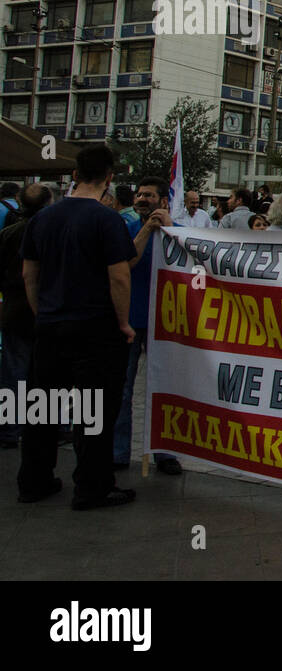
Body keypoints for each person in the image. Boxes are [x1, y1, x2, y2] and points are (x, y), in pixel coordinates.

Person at [18, 144, 137, 509]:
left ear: (74, 175)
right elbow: (119, 277)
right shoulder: (107, 220)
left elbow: (29, 274)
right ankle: (92, 487)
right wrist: (123, 323)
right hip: (96, 328)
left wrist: (42, 314)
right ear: (109, 178)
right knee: (94, 411)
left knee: (42, 408)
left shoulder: (42, 219)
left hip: (51, 326)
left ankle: (34, 481)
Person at [116, 177, 182, 476]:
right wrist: (146, 230)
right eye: (139, 195)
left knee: (163, 388)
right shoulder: (125, 230)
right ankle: (118, 451)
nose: (142, 199)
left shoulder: (178, 231)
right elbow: (126, 261)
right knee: (123, 389)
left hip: (165, 323)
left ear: (163, 201)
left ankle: (165, 452)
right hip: (131, 319)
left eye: (149, 195)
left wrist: (170, 229)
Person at [0, 184, 53, 447]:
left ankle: (9, 430)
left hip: (14, 310)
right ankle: (47, 426)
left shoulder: (8, 234)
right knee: (47, 373)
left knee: (13, 373)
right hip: (47, 311)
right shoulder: (53, 234)